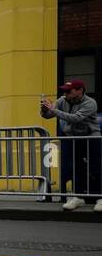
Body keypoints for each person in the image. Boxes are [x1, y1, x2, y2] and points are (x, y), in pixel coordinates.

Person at [40, 79, 102, 212]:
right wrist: (44, 110)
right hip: (73, 138)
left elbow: (75, 118)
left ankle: (100, 198)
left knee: (96, 168)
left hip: (91, 137)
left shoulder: (90, 103)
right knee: (76, 168)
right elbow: (48, 115)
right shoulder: (63, 100)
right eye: (64, 91)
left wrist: (53, 110)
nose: (65, 93)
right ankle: (78, 197)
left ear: (79, 91)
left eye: (69, 91)